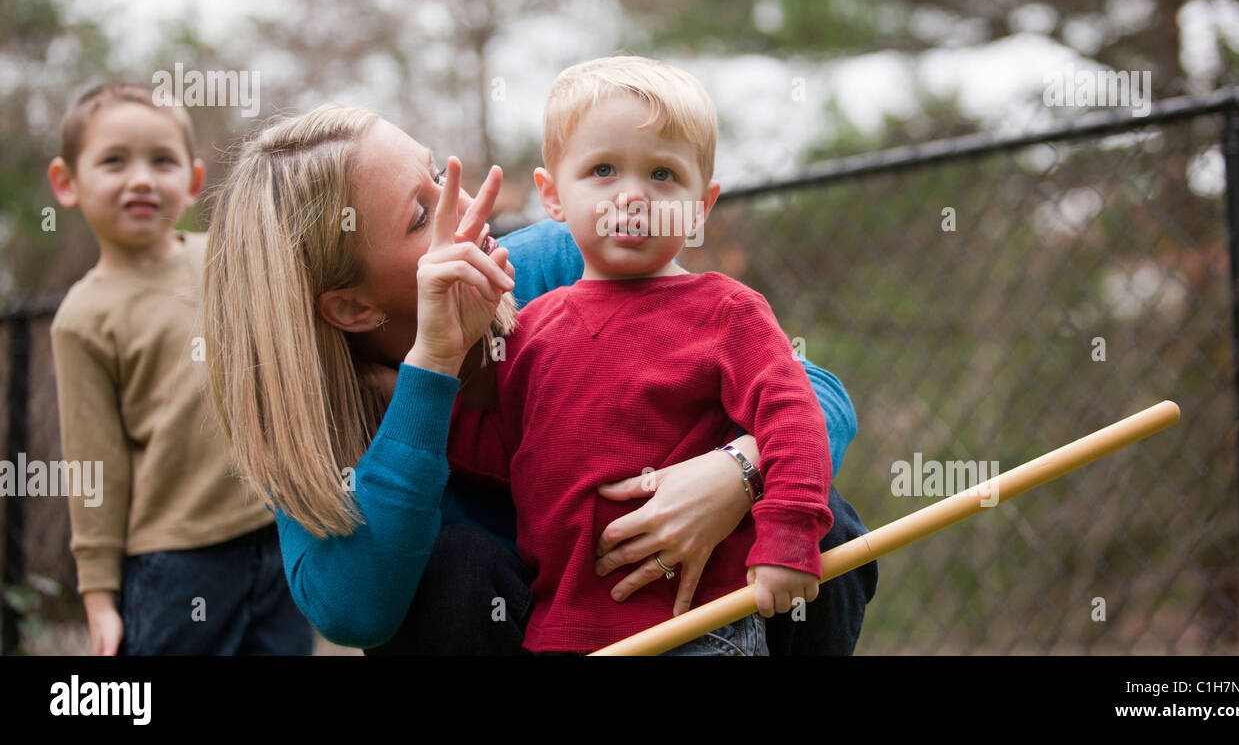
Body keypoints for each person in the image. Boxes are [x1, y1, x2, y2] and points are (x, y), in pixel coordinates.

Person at [203, 101, 877, 655]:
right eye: (421, 215)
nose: (468, 206)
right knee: (452, 572)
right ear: (353, 307)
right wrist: (432, 367)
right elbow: (356, 612)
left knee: (825, 521)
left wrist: (736, 473)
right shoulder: (304, 422)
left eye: (440, 174)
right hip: (540, 632)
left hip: (687, 615)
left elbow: (816, 395)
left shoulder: (561, 265)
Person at [447, 56, 833, 654]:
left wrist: (789, 535)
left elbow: (793, 416)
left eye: (662, 175)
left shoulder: (727, 311)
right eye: (602, 170)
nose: (632, 196)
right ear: (552, 195)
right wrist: (415, 391)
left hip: (700, 626)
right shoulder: (526, 331)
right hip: (561, 633)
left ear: (701, 206)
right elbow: (511, 454)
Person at [46, 82, 313, 655]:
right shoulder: (82, 317)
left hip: (277, 532)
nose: (141, 178)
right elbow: (93, 463)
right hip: (177, 564)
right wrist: (98, 596)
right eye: (114, 161)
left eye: (161, 161)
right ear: (66, 183)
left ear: (192, 181)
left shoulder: (224, 253)